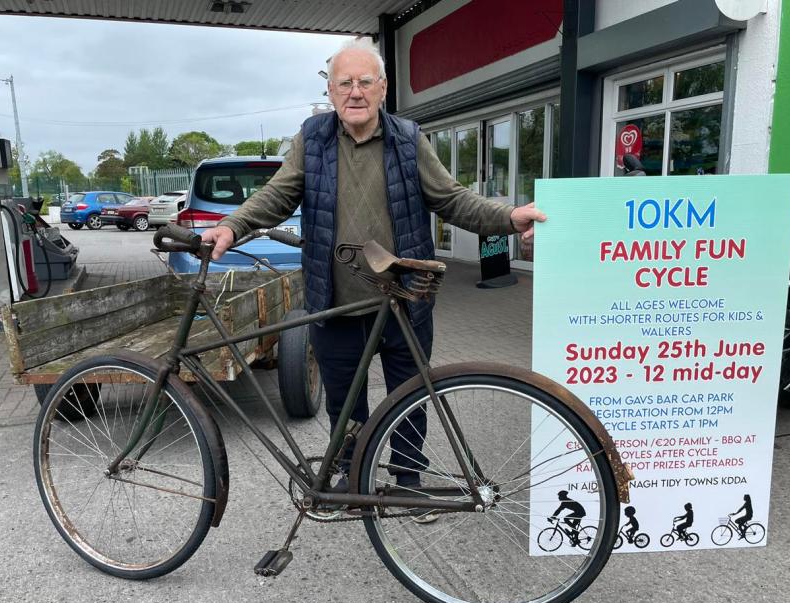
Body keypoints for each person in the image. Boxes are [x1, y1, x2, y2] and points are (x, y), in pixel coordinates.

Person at [199, 38, 548, 522]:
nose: (355, 92)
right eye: (345, 83)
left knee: (408, 398)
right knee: (345, 403)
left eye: (366, 81)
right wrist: (232, 224)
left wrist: (510, 217)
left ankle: (408, 482)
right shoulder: (314, 138)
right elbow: (278, 194)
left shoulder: (407, 139)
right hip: (335, 300)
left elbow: (452, 198)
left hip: (403, 300)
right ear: (332, 90)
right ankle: (354, 475)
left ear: (383, 89)